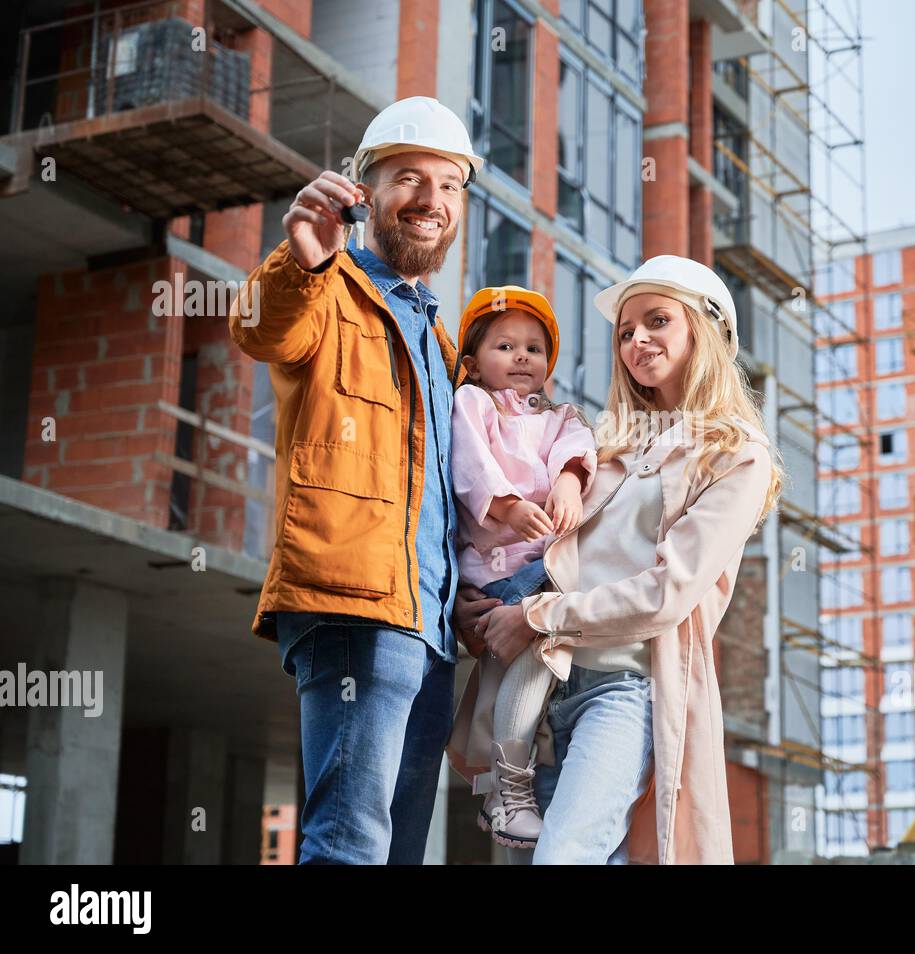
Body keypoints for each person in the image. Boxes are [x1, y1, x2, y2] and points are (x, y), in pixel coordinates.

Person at [227, 96, 497, 863]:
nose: (432, 201)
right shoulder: (325, 288)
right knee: (348, 844)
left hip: (429, 628)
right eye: (409, 178)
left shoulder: (442, 342)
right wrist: (304, 256)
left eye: (449, 186)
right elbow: (258, 326)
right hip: (354, 609)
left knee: (399, 852)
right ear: (364, 191)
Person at [449, 255, 783, 864]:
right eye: (625, 331)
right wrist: (481, 600)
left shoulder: (737, 458)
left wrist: (538, 616)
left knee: (566, 853)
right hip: (542, 684)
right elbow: (547, 548)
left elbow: (666, 594)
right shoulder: (607, 444)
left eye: (657, 321)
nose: (637, 341)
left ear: (704, 331)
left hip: (623, 689)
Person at [447, 285, 596, 848]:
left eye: (534, 348)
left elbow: (580, 446)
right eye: (505, 346)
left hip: (542, 571)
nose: (521, 357)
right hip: (498, 573)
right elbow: (471, 466)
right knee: (541, 649)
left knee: (517, 678)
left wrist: (566, 481)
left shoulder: (558, 415)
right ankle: (508, 793)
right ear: (473, 361)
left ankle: (499, 792)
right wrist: (510, 506)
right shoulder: (472, 403)